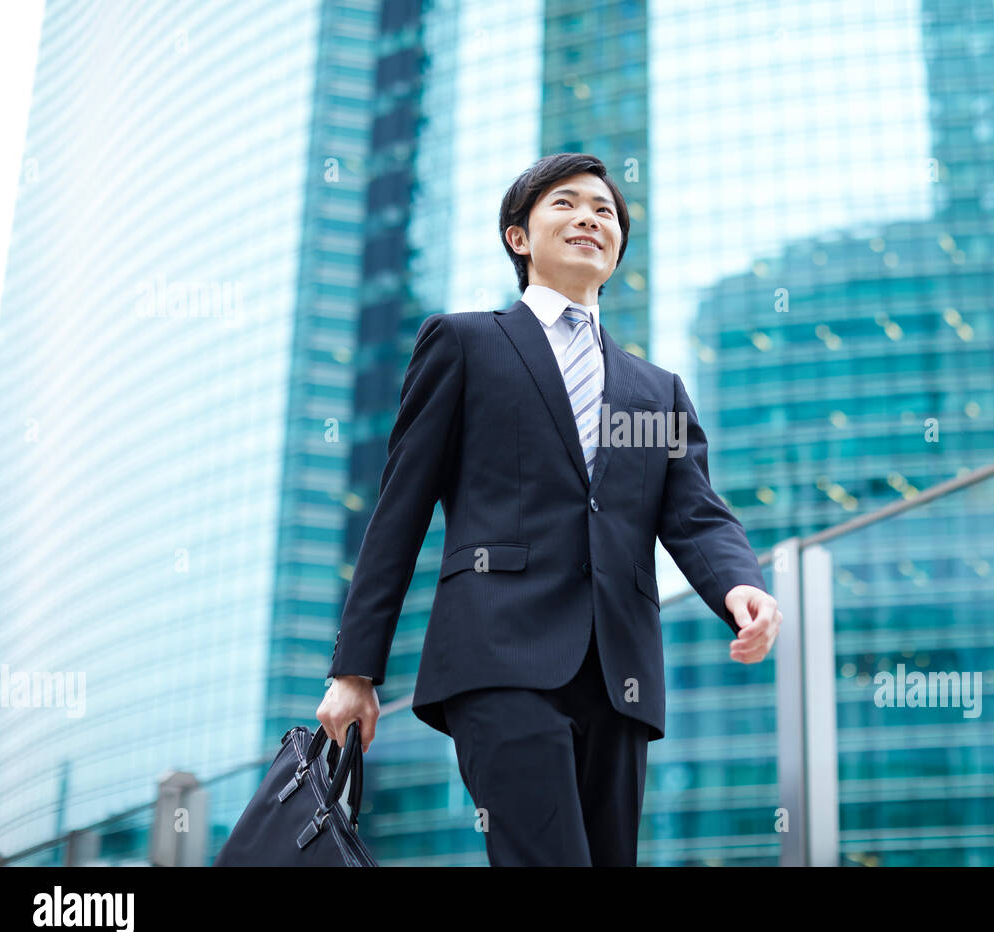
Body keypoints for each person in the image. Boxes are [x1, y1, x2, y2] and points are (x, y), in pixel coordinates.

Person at [317, 152, 781, 865]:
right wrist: (354, 672)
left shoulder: (655, 390)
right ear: (519, 238)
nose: (591, 217)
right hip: (498, 656)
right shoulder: (467, 344)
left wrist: (739, 584)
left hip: (619, 675)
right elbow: (399, 510)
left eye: (605, 210)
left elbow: (694, 513)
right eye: (565, 203)